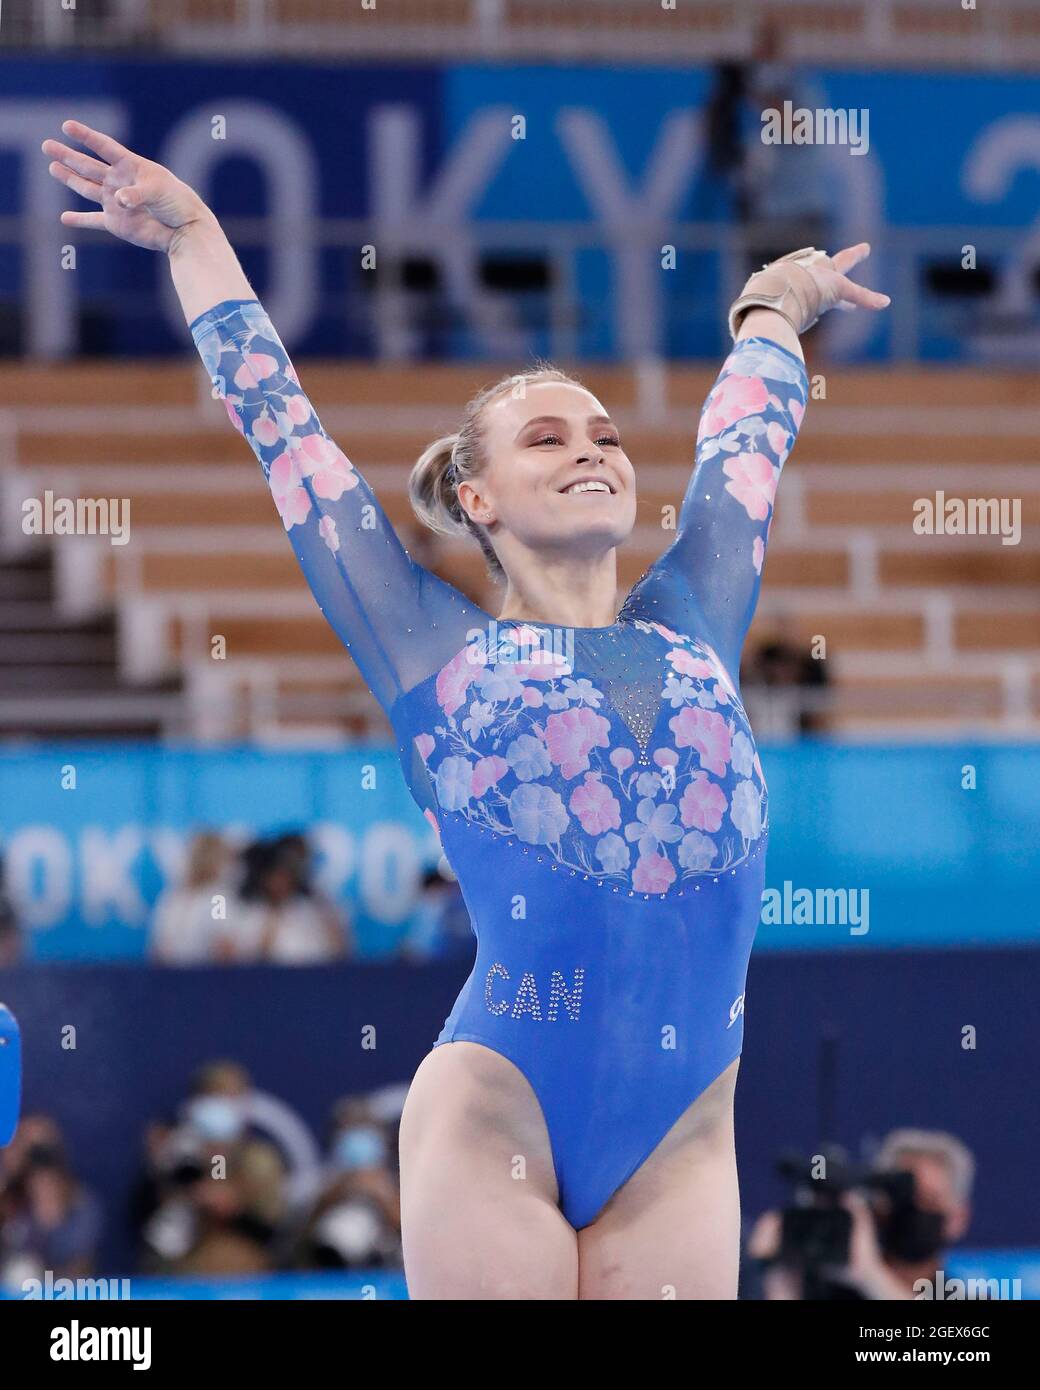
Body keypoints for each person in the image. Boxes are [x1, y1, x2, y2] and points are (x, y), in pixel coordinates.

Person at [42, 119, 889, 1299]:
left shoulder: (691, 616)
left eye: (601, 434)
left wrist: (775, 302)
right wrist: (195, 239)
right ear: (476, 495)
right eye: (545, 438)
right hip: (501, 1109)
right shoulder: (426, 644)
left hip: (685, 1131)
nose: (588, 450)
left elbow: (745, 441)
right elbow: (283, 428)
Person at [149, 830, 233, 964]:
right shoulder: (173, 897)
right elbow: (158, 945)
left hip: (203, 975)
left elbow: (223, 943)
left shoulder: (217, 898)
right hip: (169, 975)